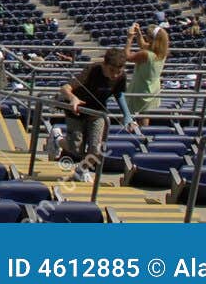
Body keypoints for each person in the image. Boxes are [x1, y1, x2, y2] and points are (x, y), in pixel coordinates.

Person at [58, 48, 127, 180]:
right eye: (111, 71)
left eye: (118, 72)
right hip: (78, 109)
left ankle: (81, 170)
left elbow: (119, 94)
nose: (115, 75)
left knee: (96, 149)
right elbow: (65, 88)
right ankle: (57, 139)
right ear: (104, 65)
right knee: (76, 149)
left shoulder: (121, 77)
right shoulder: (92, 70)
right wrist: (73, 98)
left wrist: (127, 115)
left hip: (97, 112)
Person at [122, 24, 169, 129]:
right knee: (144, 114)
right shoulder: (162, 52)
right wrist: (139, 34)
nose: (146, 37)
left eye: (147, 35)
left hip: (141, 86)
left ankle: (127, 133)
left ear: (152, 39)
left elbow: (127, 56)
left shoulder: (146, 54)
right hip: (152, 87)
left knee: (128, 112)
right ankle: (143, 136)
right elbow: (143, 45)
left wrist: (129, 38)